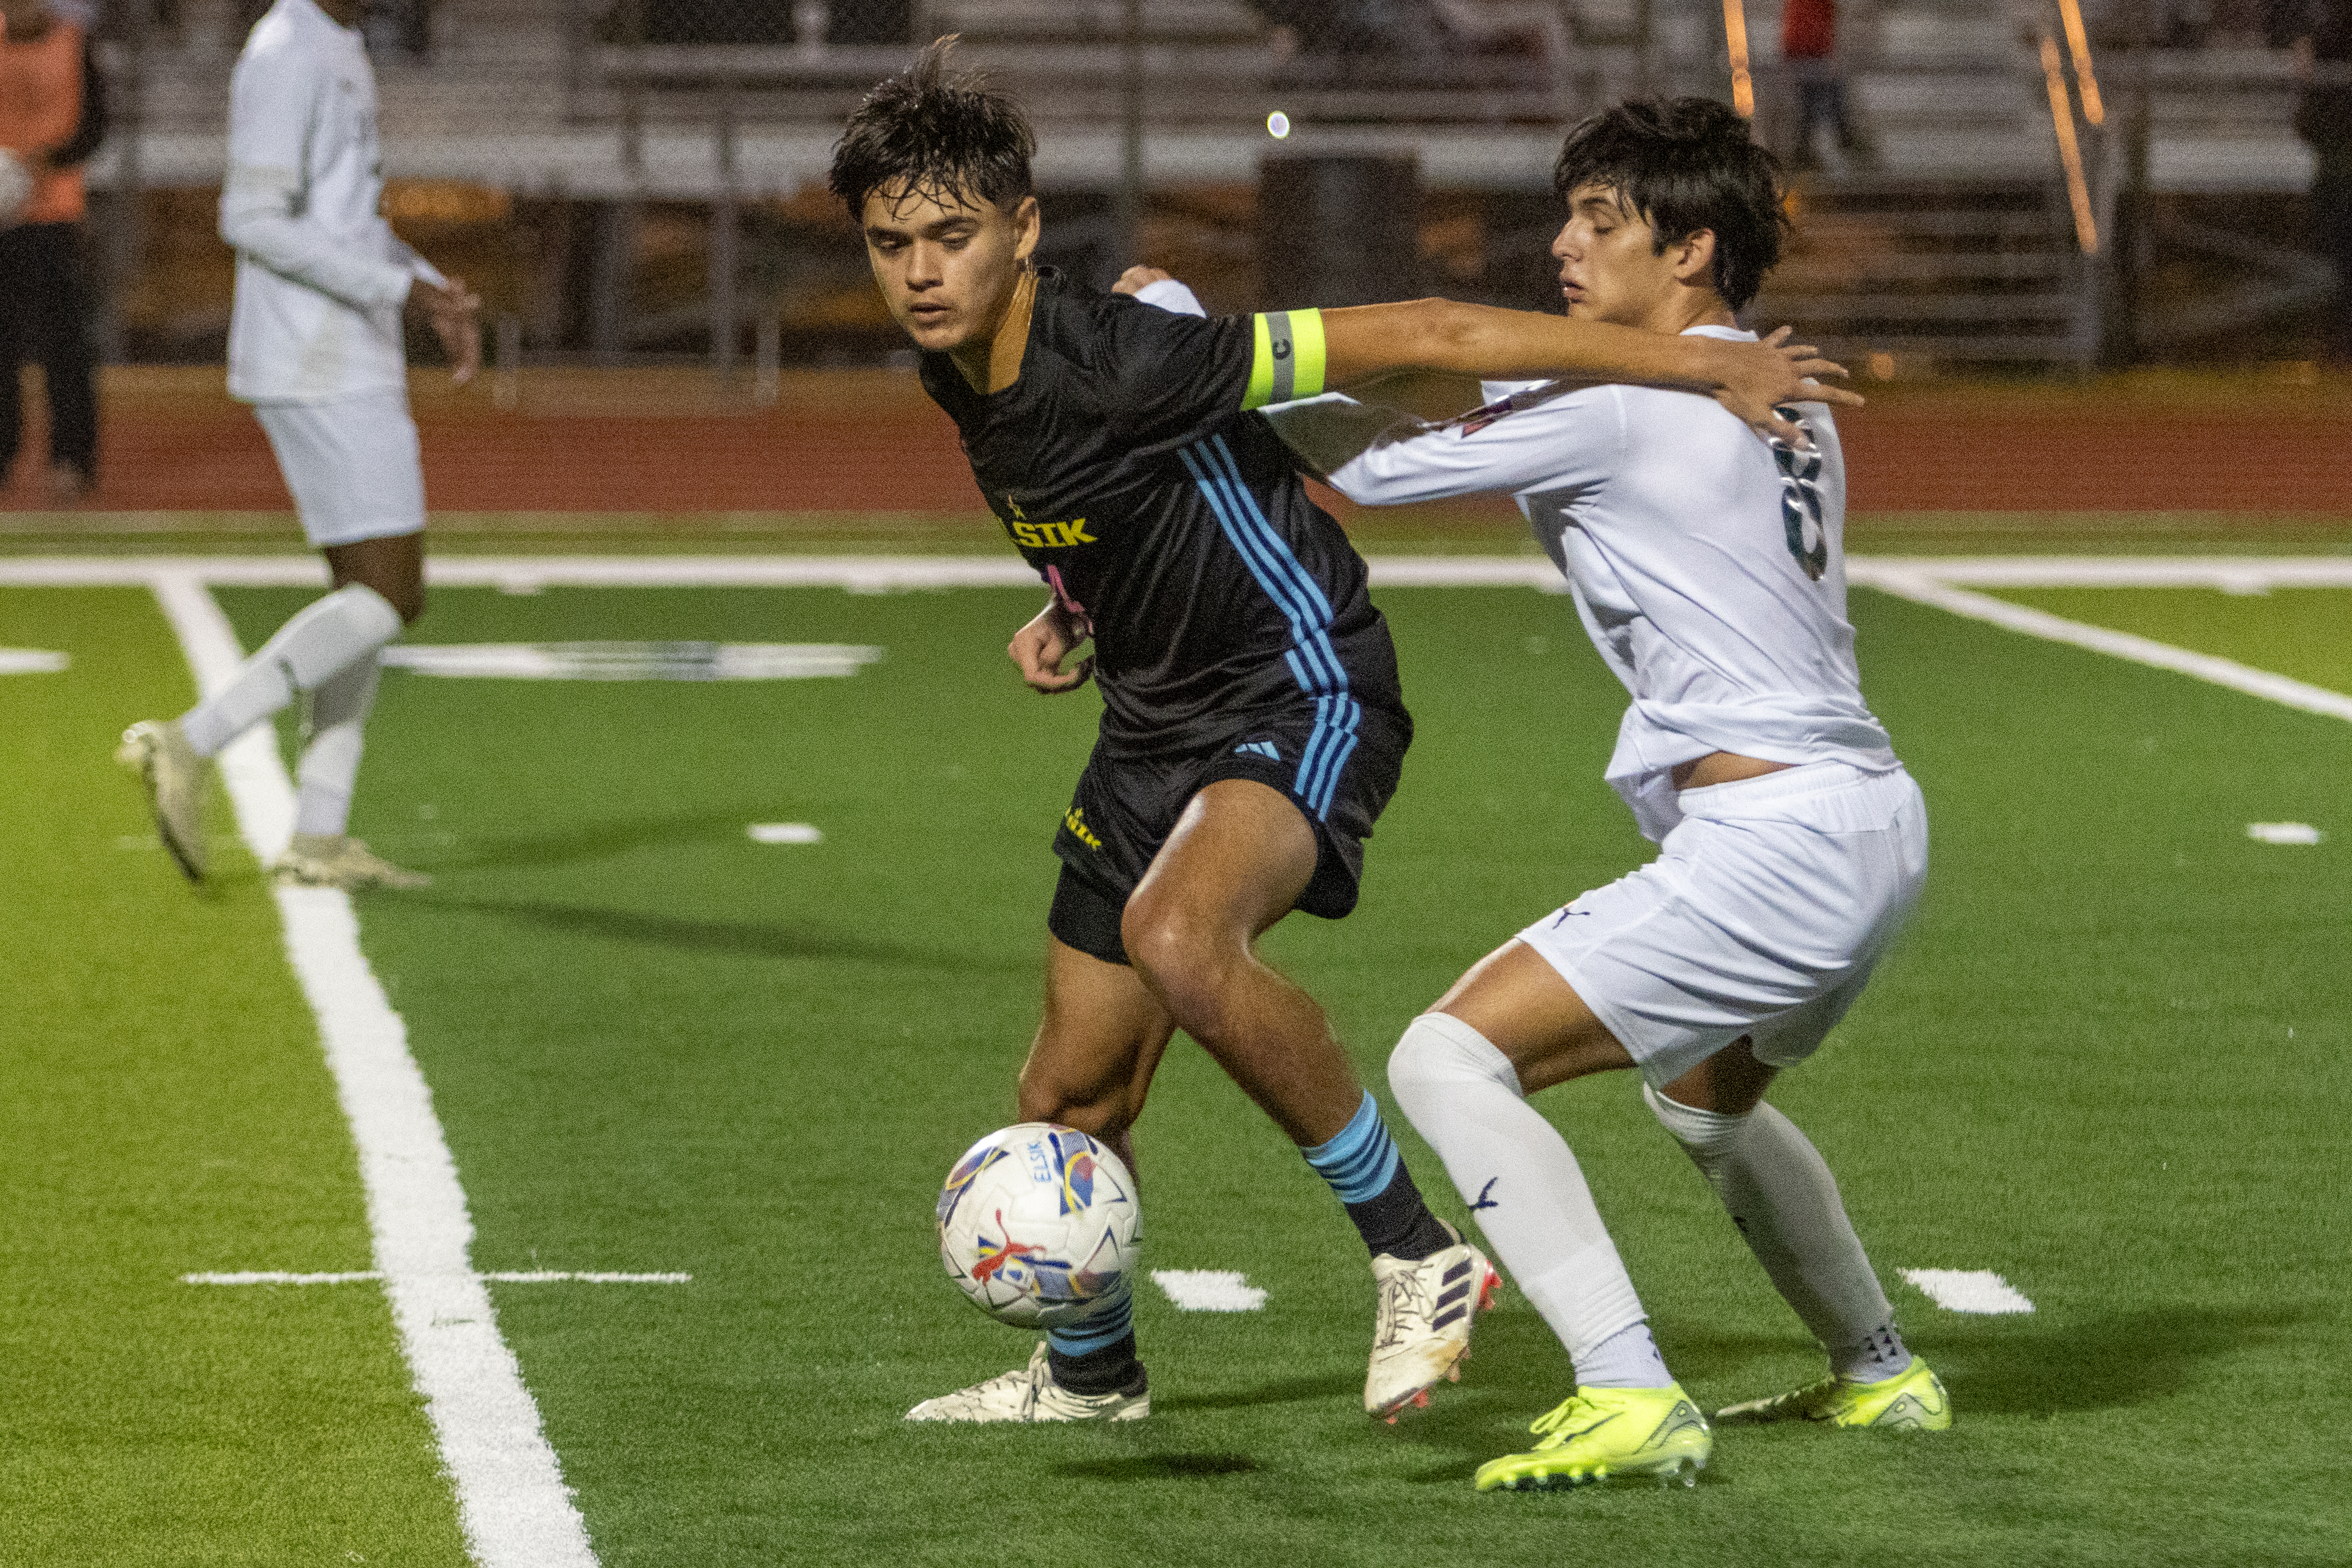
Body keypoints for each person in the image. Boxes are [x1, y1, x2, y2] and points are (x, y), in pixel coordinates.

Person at [828, 40, 1860, 1426]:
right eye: (891, 242)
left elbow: (1434, 333)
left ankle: (1416, 1252)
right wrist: (1073, 604)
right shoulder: (959, 368)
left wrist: (1683, 371)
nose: (918, 270)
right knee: (1066, 1092)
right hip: (1151, 719)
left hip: (1294, 688)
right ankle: (1092, 1375)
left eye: (950, 236)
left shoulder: (1135, 354)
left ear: (1022, 230)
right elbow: (1106, 500)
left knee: (1179, 937)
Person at [1206, 96, 1942, 1489]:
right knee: (1704, 1107)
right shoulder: (1742, 382)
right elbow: (1489, 391)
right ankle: (1877, 1370)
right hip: (1870, 823)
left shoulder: (1625, 401)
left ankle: (1624, 1387)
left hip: (1775, 845)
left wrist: (1190, 345)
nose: (1561, 246)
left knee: (1444, 1058)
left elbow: (1360, 457)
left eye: (1598, 223)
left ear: (1690, 251)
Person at [117, 0, 480, 890]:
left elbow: (342, 220)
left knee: (368, 599)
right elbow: (251, 217)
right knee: (392, 593)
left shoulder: (335, 40)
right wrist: (394, 292)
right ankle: (192, 739)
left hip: (335, 348)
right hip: (318, 356)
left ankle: (318, 835)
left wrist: (425, 285)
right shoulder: (288, 49)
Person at [0, 0, 99, 504]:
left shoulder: (72, 43)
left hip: (52, 214)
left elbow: (92, 128)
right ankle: (4, 451)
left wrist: (43, 160)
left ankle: (72, 457)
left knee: (63, 342)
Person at [2293, 0, 2352, 359]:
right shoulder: (2329, 36)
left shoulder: (2326, 35)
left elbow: (2309, 124)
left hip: (2335, 176)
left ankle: (2337, 347)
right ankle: (2338, 347)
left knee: (2339, 273)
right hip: (2336, 176)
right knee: (2340, 271)